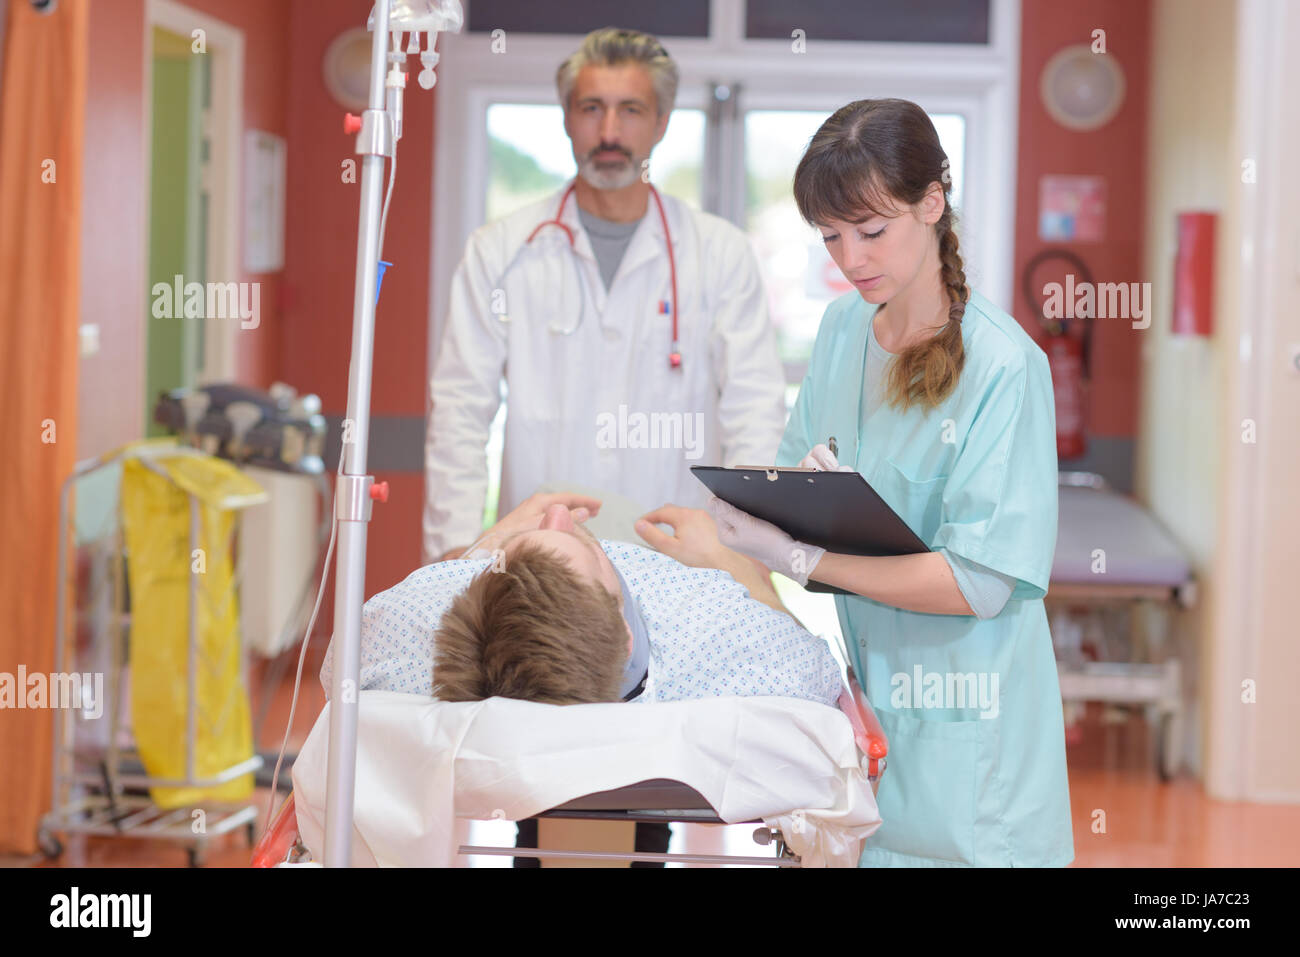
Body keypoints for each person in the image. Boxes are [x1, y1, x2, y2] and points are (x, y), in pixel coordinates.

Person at [706, 99, 1074, 867]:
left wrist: (808, 561)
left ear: (933, 203)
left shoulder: (1005, 368)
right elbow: (799, 462)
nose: (851, 257)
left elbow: (980, 581)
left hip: (974, 727)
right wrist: (790, 500)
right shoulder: (843, 332)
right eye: (832, 236)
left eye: (872, 231)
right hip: (875, 707)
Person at [320, 491, 843, 866]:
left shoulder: (407, 628)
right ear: (625, 630)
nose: (553, 513)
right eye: (595, 552)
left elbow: (335, 669)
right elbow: (821, 679)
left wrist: (489, 544)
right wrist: (737, 567)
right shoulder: (713, 628)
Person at [423, 27, 786, 565]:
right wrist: (453, 555)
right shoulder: (501, 251)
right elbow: (459, 413)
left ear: (661, 122)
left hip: (679, 558)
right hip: (542, 556)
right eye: (592, 108)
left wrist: (747, 557)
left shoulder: (719, 253)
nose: (610, 131)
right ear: (567, 117)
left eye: (631, 110)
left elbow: (754, 414)